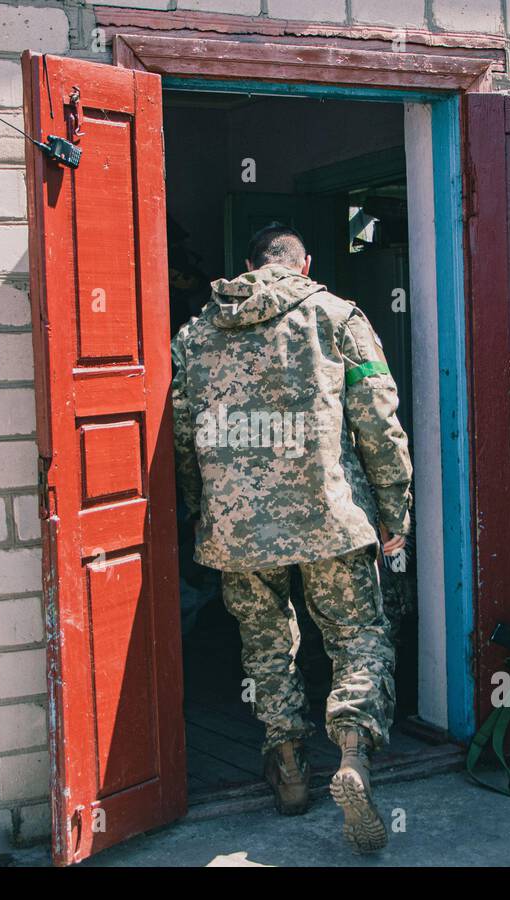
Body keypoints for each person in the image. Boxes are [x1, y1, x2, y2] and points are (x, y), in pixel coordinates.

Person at [170, 223, 412, 853]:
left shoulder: (196, 335)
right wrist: (394, 513)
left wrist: (202, 510)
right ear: (305, 263)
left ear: (248, 265)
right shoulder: (339, 316)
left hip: (237, 526)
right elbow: (380, 422)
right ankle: (353, 754)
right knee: (357, 636)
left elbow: (181, 437)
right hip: (330, 517)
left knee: (266, 644)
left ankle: (290, 771)